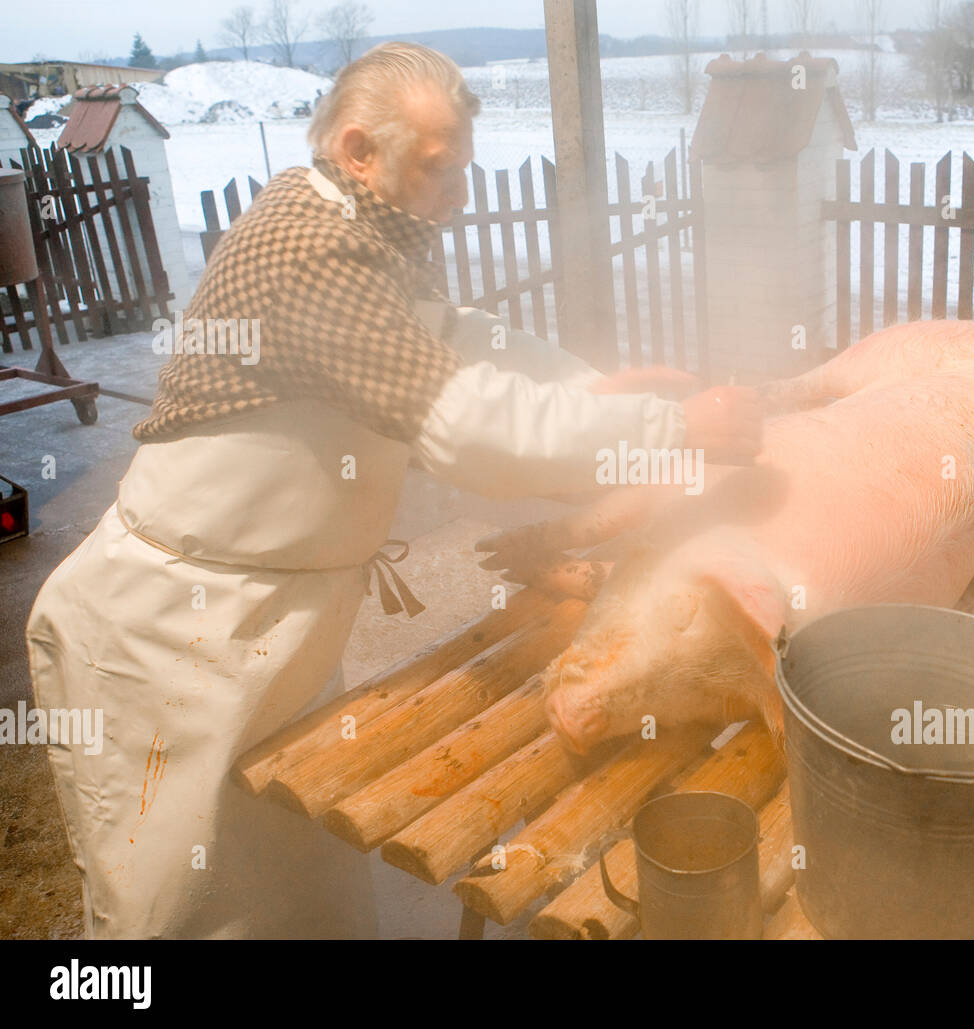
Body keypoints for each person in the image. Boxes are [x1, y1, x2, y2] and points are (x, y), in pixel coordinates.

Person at [26, 42, 761, 939]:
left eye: (463, 168)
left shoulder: (366, 226)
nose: (458, 193)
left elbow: (456, 341)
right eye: (439, 169)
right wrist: (676, 432)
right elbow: (470, 429)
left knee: (292, 890)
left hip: (266, 617)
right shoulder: (311, 251)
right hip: (169, 633)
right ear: (358, 148)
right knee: (176, 909)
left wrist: (590, 389)